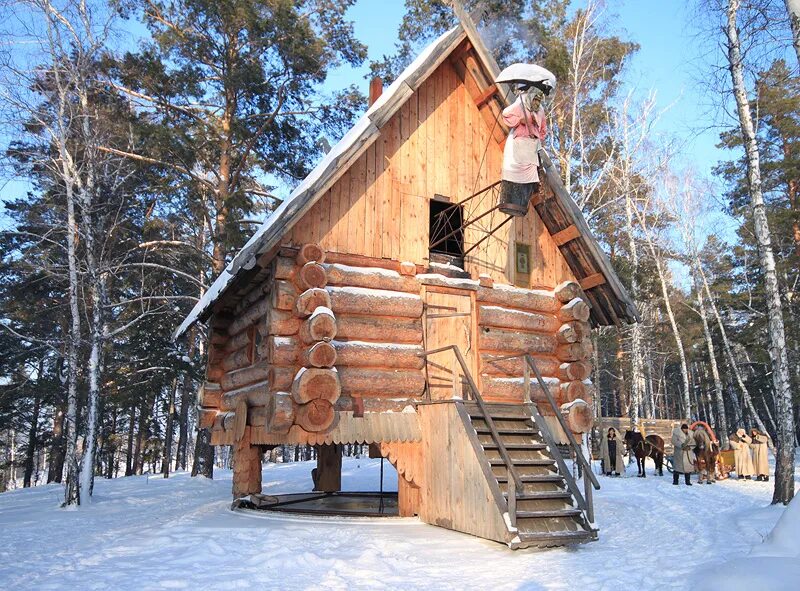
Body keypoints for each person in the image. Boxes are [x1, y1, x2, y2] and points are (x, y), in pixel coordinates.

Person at [498, 85, 547, 216]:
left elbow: (543, 130)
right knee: (513, 172)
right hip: (519, 143)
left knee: (530, 177)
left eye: (539, 99)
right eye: (535, 98)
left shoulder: (541, 110)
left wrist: (536, 135)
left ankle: (521, 202)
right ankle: (510, 200)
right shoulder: (521, 102)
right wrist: (520, 120)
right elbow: (506, 114)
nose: (537, 102)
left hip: (531, 147)